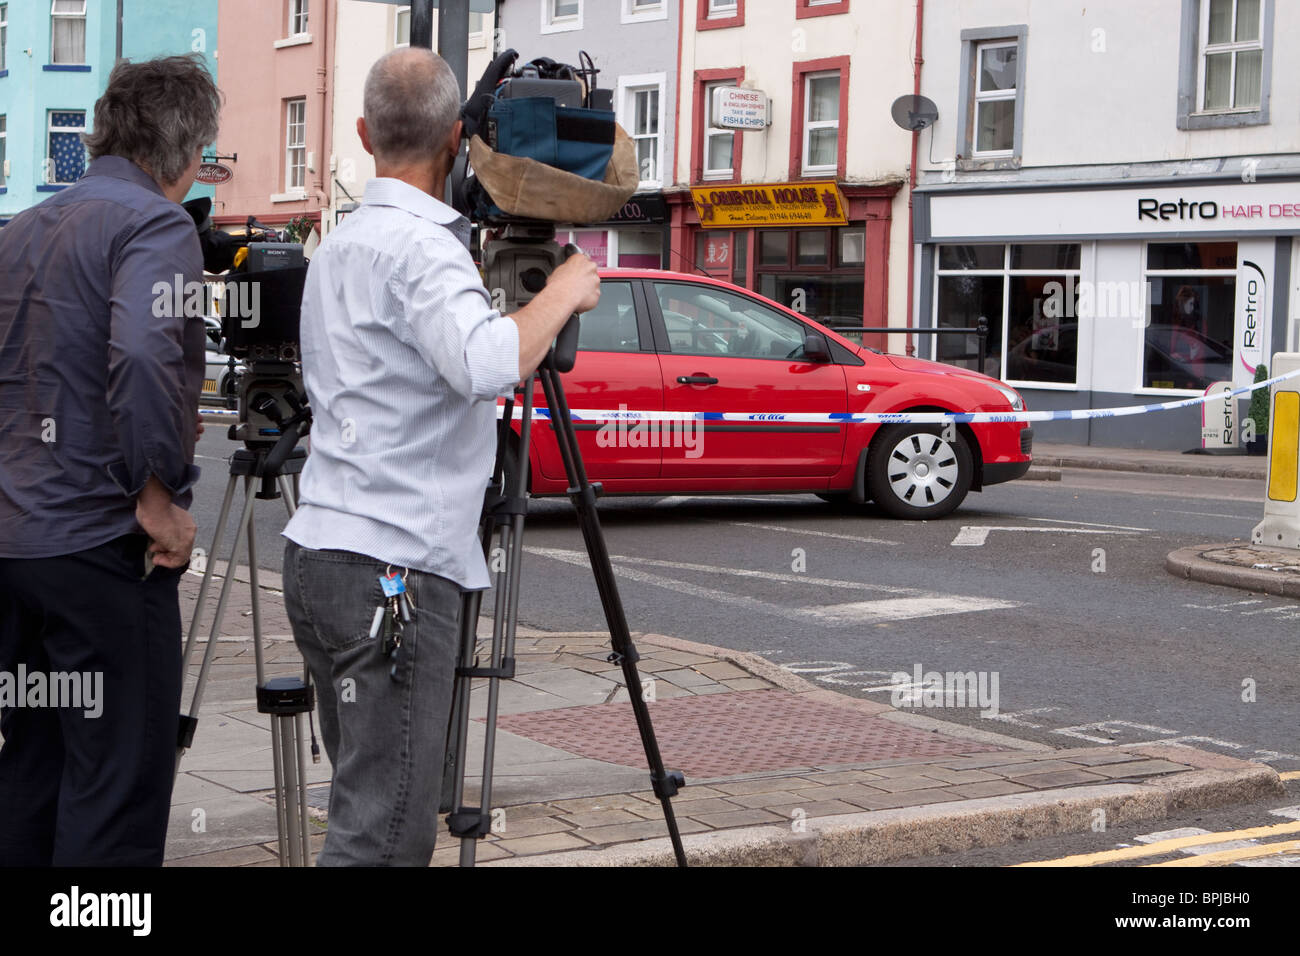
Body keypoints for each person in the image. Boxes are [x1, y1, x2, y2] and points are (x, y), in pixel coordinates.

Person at [281, 48, 601, 866]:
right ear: (458, 138)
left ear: (363, 132)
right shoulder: (424, 251)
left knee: (363, 801)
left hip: (323, 554)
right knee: (384, 835)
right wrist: (564, 289)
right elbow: (489, 362)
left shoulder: (340, 247)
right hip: (396, 569)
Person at [0, 54, 221, 866]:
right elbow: (141, 352)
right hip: (99, 551)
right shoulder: (154, 225)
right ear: (186, 152)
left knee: (33, 766)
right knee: (118, 785)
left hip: (19, 545)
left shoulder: (24, 227)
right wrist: (157, 491)